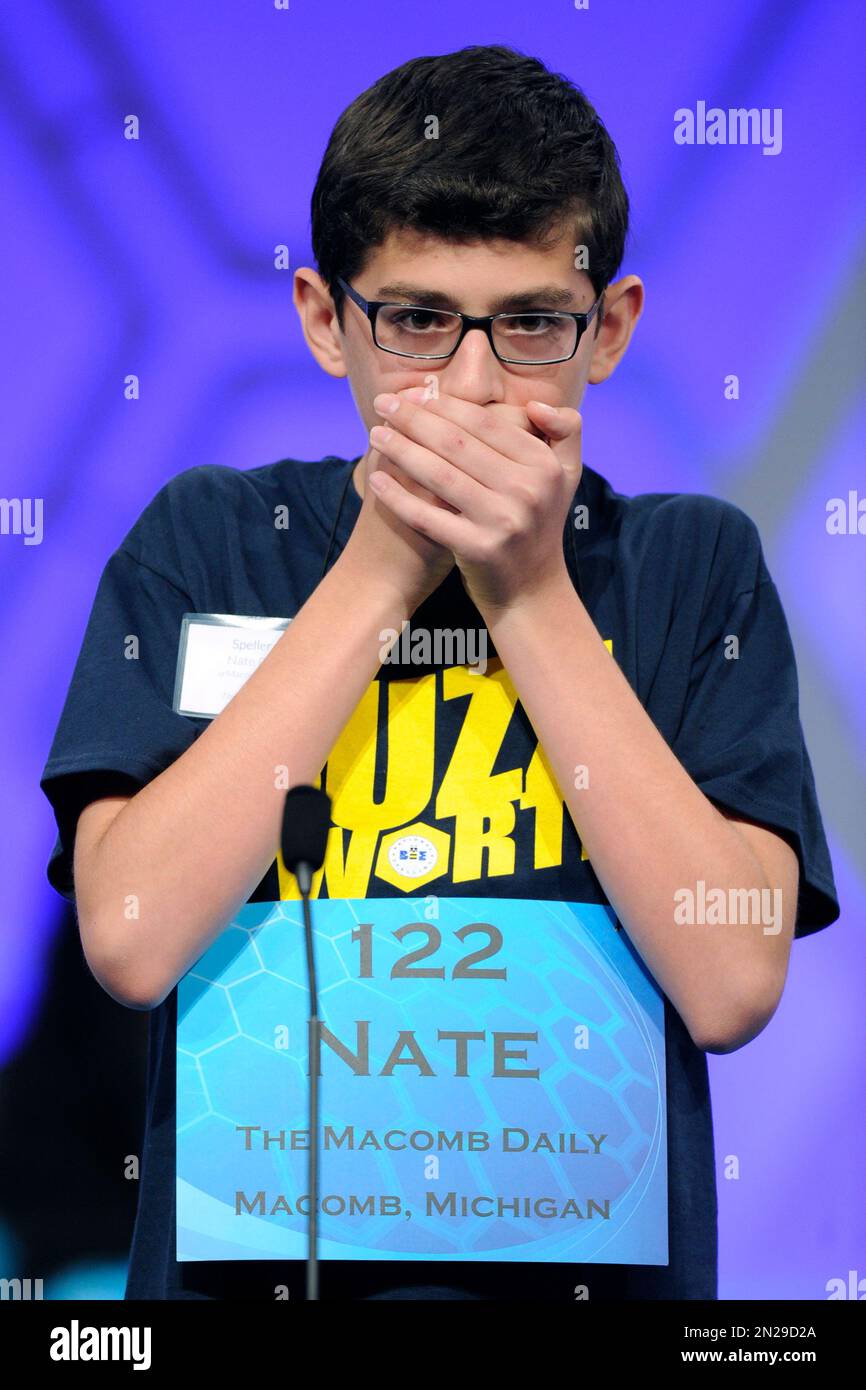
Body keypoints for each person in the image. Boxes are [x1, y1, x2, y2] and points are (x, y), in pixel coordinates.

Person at [40, 45, 839, 1302]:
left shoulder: (690, 564)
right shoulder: (207, 539)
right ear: (322, 320)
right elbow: (132, 942)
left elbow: (731, 981)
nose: (469, 387)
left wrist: (527, 591)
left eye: (527, 324)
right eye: (415, 321)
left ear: (609, 329)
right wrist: (379, 572)